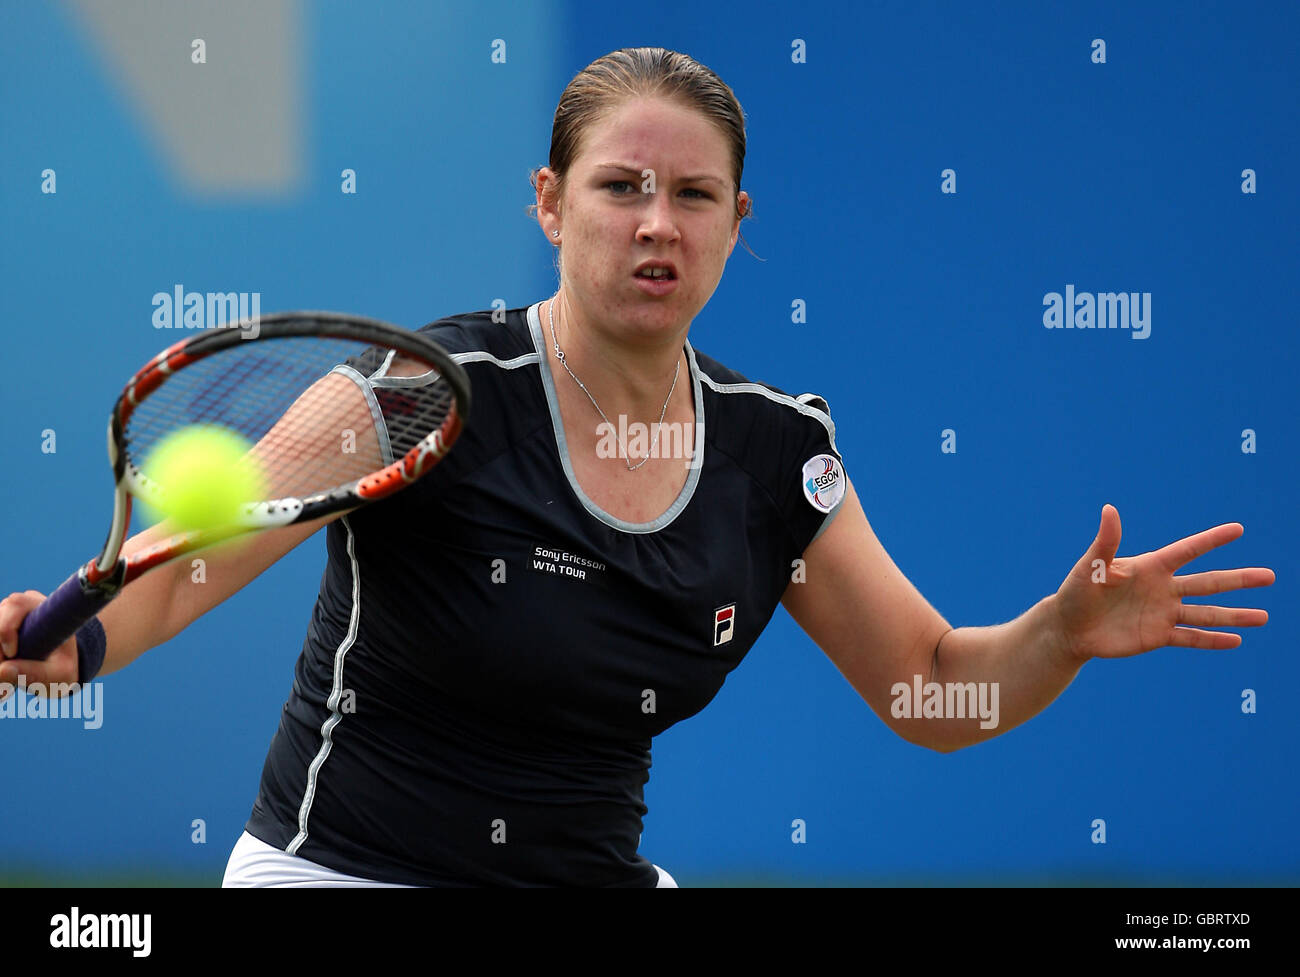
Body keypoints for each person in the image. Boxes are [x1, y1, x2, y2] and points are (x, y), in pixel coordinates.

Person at [0, 47, 1275, 888]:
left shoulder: (779, 455)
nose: (657, 222)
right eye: (621, 187)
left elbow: (931, 689)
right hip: (344, 875)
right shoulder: (416, 395)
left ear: (737, 224)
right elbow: (177, 570)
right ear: (550, 203)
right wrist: (77, 649)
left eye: (695, 195)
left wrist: (1054, 631)